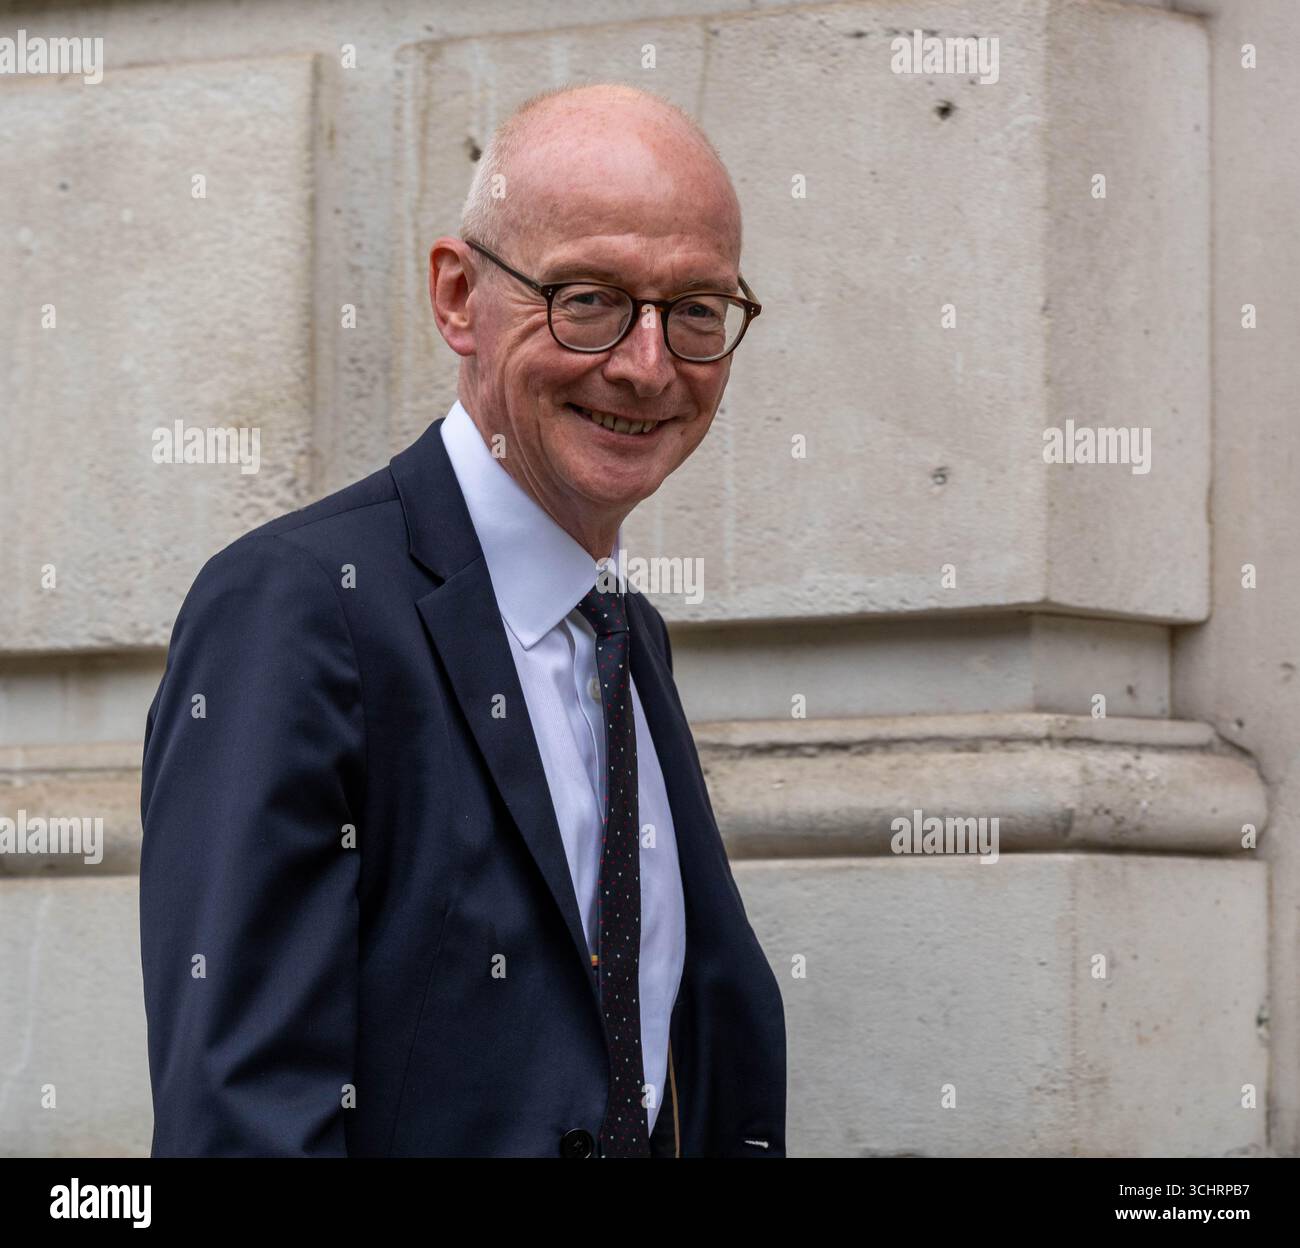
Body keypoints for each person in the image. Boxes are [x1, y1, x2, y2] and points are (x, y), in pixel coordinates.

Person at [139, 81, 786, 1158]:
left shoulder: (626, 639)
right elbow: (242, 1122)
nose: (646, 365)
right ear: (456, 298)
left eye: (697, 311)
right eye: (587, 299)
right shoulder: (295, 609)